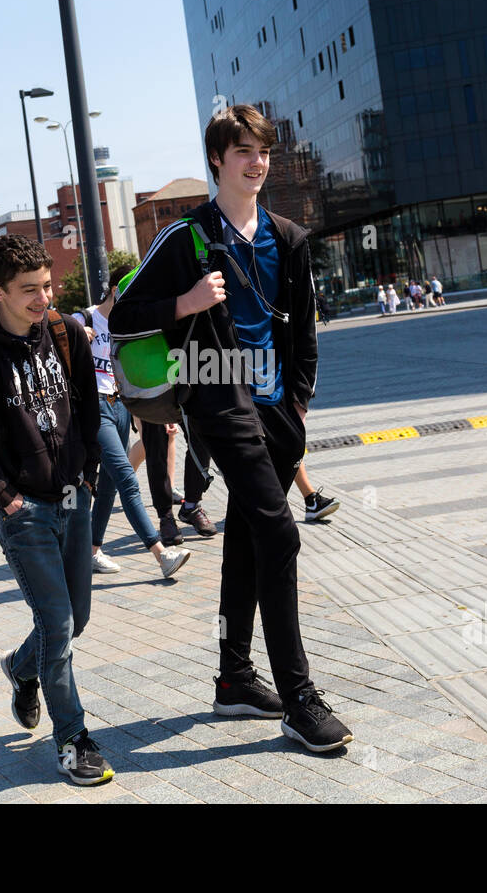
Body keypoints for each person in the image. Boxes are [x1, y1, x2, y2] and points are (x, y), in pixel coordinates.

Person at [110, 103, 353, 753]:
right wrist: (184, 304)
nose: (256, 162)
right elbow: (122, 313)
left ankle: (234, 678)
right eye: (242, 150)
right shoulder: (188, 235)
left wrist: (297, 406)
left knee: (247, 539)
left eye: (263, 150)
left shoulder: (291, 239)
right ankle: (299, 699)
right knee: (279, 536)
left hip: (278, 412)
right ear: (217, 159)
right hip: (217, 400)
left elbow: (304, 336)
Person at [0, 234, 113, 786]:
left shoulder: (67, 334)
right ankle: (73, 739)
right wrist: (5, 496)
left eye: (48, 285)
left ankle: (20, 668)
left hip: (73, 496)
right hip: (24, 510)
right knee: (59, 623)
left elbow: (89, 408)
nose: (44, 298)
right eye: (30, 291)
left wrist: (86, 476)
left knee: (75, 618)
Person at [80, 272, 192, 578]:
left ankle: (90, 552)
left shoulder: (125, 323)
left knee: (109, 486)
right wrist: (75, 332)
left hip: (121, 406)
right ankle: (161, 555)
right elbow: (50, 328)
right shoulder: (85, 318)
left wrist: (155, 417)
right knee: (128, 480)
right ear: (117, 290)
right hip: (95, 409)